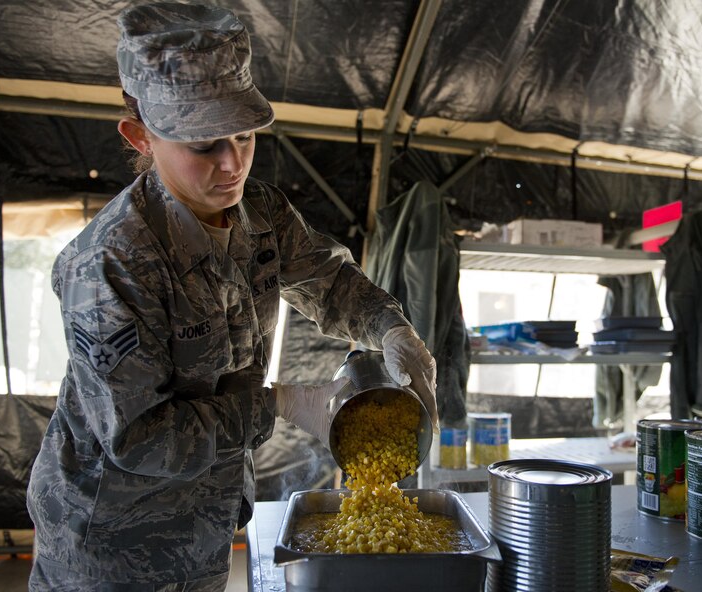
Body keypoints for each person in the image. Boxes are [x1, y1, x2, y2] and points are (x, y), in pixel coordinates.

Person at [26, 3, 438, 590]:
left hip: (207, 522)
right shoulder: (111, 264)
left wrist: (392, 329)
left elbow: (330, 282)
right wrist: (280, 404)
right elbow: (139, 438)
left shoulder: (261, 212)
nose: (232, 163)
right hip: (110, 544)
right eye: (203, 145)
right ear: (141, 136)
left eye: (244, 136)